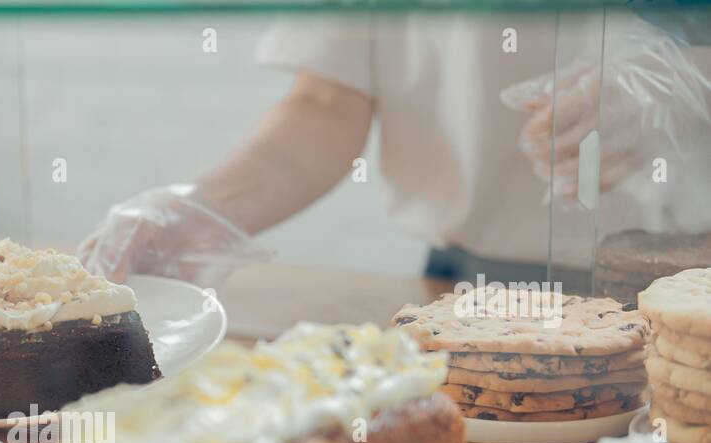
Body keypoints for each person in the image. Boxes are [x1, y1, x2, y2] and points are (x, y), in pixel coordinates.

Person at [79, 11, 711, 291]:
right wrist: (196, 209)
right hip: (465, 288)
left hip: (691, 285)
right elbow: (326, 105)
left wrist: (686, 82)